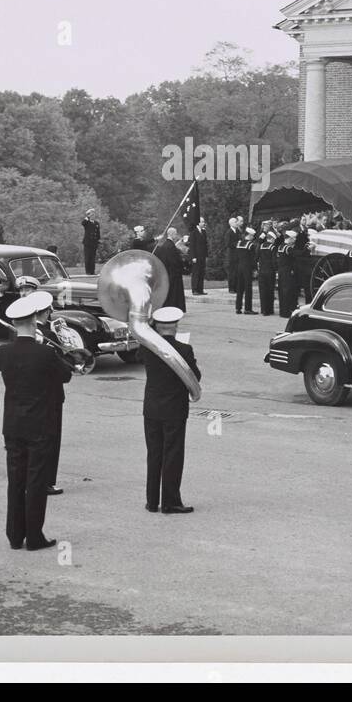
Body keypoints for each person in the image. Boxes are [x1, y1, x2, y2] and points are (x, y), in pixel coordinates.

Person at [0, 292, 70, 552]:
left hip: (13, 423)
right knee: (35, 481)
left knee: (15, 480)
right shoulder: (44, 354)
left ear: (15, 323)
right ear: (35, 321)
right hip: (39, 424)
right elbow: (65, 375)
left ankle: (15, 535)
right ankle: (34, 536)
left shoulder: (2, 352)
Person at [141, 306, 201, 514]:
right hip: (174, 409)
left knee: (154, 454)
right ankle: (170, 501)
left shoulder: (147, 348)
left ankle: (151, 501)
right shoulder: (184, 350)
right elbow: (196, 377)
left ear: (157, 327)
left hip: (151, 408)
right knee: (173, 454)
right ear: (175, 326)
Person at [152, 227, 188, 312]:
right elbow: (174, 261)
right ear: (172, 234)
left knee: (170, 292)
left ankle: (168, 307)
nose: (176, 235)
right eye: (175, 234)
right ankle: (174, 308)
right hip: (174, 273)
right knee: (174, 292)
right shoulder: (171, 246)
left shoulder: (164, 245)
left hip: (167, 272)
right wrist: (182, 264)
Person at [232, 225, 256, 315]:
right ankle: (248, 308)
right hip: (247, 268)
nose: (253, 237)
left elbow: (236, 257)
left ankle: (238, 308)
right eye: (252, 236)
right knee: (248, 288)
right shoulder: (250, 245)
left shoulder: (238, 243)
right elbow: (252, 259)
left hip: (239, 267)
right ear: (249, 235)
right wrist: (254, 269)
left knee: (240, 288)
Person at [256, 223, 279, 316]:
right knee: (270, 291)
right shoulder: (272, 247)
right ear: (272, 239)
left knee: (263, 291)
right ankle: (269, 309)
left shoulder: (261, 246)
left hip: (261, 271)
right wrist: (276, 269)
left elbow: (257, 257)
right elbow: (274, 261)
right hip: (270, 271)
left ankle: (263, 309)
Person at [188, 217, 208, 295]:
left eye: (203, 222)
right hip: (196, 256)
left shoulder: (203, 232)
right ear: (198, 223)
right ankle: (195, 289)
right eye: (202, 222)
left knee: (201, 273)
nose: (203, 223)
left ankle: (200, 289)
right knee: (196, 273)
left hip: (202, 256)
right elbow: (192, 245)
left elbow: (205, 244)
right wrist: (193, 257)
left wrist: (206, 255)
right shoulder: (194, 232)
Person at [81, 209, 101, 275]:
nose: (93, 215)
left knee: (93, 258)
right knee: (87, 257)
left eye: (94, 214)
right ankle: (88, 272)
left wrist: (98, 240)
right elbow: (83, 223)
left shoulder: (96, 223)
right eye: (91, 214)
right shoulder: (87, 222)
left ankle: (92, 271)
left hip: (94, 243)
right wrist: (87, 217)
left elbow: (98, 233)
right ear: (89, 215)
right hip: (87, 243)